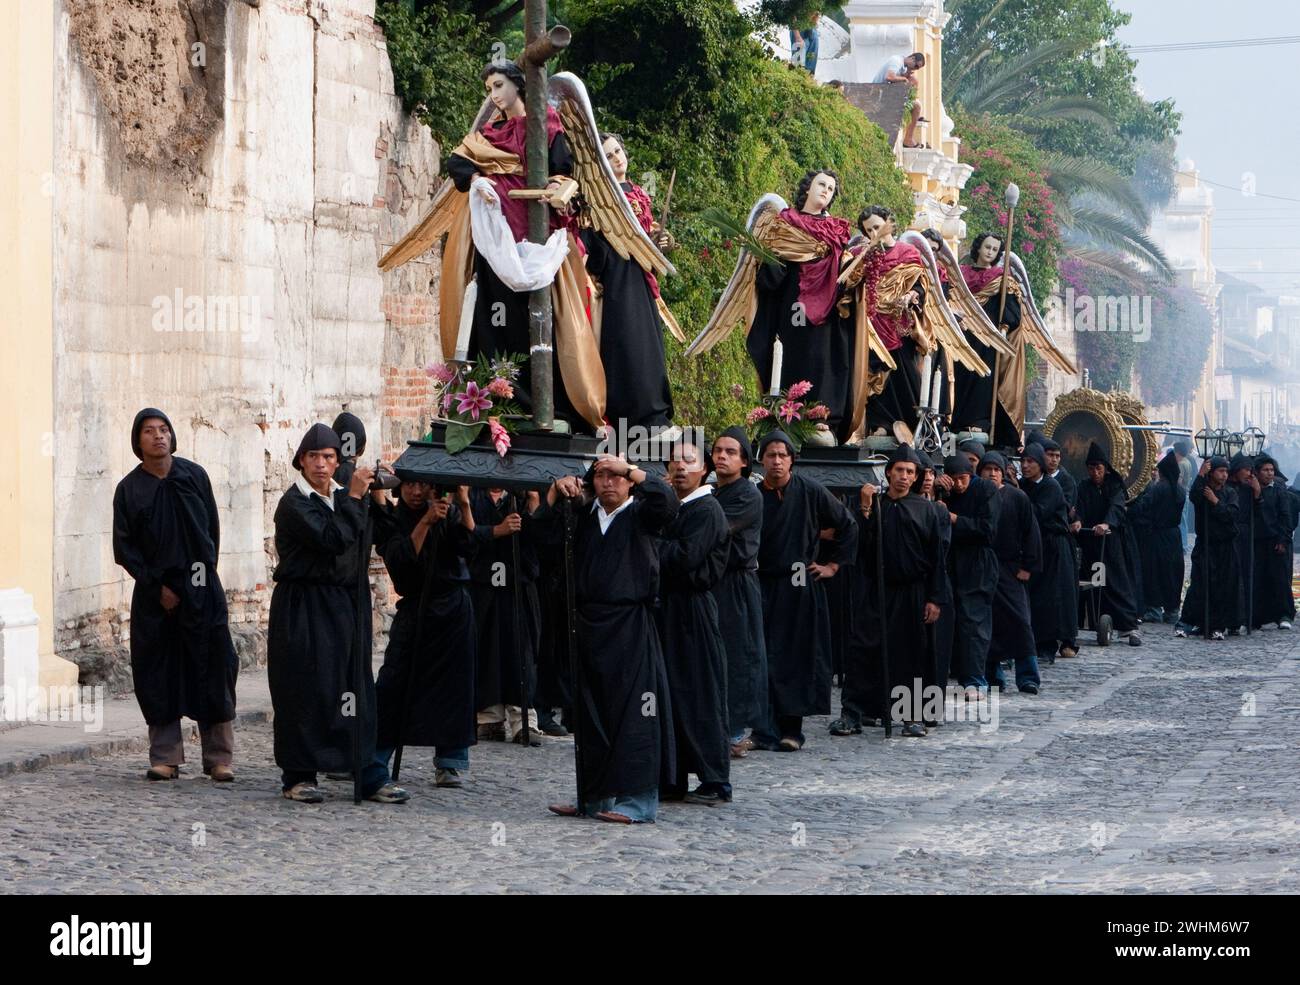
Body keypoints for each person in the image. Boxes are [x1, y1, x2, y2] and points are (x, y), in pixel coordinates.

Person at [268, 424, 405, 804]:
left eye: (328, 457)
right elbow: (333, 538)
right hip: (305, 607)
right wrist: (357, 499)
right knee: (306, 689)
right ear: (301, 461)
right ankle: (298, 774)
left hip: (348, 605)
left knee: (355, 689)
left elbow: (385, 536)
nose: (321, 465)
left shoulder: (350, 498)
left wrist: (375, 500)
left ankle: (367, 772)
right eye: (313, 457)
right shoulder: (294, 503)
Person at [543, 456, 678, 824]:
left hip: (630, 624)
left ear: (630, 483)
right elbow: (543, 544)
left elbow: (667, 501)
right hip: (587, 623)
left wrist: (630, 469)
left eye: (616, 477)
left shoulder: (642, 515)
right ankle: (593, 796)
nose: (609, 483)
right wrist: (556, 492)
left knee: (634, 712)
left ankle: (638, 801)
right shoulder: (584, 517)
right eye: (601, 476)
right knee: (590, 713)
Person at [112, 408, 238, 783]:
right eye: (149, 431)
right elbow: (125, 548)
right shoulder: (129, 489)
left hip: (202, 591)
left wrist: (200, 580)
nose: (158, 437)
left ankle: (218, 758)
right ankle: (166, 756)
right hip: (156, 598)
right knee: (159, 672)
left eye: (164, 429)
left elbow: (211, 531)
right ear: (138, 441)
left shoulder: (194, 476)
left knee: (214, 666)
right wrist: (157, 587)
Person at [752, 431, 857, 751]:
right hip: (763, 582)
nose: (777, 461)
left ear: (792, 460)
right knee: (763, 654)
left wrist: (832, 567)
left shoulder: (810, 491)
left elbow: (848, 524)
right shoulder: (755, 495)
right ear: (762, 460)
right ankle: (762, 728)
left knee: (795, 657)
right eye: (771, 455)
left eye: (783, 455)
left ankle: (791, 729)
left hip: (799, 583)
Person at [832, 444, 946, 737]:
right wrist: (866, 509)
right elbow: (861, 546)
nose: (904, 477)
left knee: (910, 654)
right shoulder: (876, 505)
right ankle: (854, 713)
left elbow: (936, 559)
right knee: (864, 649)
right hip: (876, 590)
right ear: (889, 472)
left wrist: (934, 598)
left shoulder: (927, 510)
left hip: (912, 593)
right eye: (899, 471)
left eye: (910, 472)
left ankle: (912, 716)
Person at [372, 480, 479, 789]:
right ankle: (376, 757)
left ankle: (450, 760)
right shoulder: (392, 519)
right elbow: (402, 560)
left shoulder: (450, 513)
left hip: (454, 608)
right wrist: (425, 522)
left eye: (423, 486)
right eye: (409, 486)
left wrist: (464, 503)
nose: (416, 493)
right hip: (416, 607)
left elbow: (471, 547)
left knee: (454, 686)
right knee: (394, 684)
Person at [745, 170, 855, 437]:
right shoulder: (787, 223)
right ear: (807, 187)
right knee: (793, 351)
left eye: (831, 188)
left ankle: (823, 417)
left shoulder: (837, 230)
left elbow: (845, 269)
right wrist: (776, 260)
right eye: (821, 184)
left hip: (828, 306)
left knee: (825, 357)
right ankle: (789, 412)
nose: (826, 190)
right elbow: (772, 267)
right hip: (794, 303)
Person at [585, 133, 676, 433]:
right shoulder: (603, 196)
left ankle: (654, 413)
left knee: (649, 345)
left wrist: (659, 244)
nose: (617, 158)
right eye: (609, 155)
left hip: (641, 277)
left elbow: (648, 244)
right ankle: (633, 414)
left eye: (618, 151)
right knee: (628, 342)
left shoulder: (639, 193)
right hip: (620, 277)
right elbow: (597, 239)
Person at [658, 441, 732, 805]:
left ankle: (715, 779)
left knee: (700, 692)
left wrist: (654, 549)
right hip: (667, 609)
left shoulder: (707, 510)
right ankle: (672, 777)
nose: (681, 467)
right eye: (675, 461)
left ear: (704, 468)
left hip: (694, 610)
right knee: (669, 694)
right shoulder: (673, 508)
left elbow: (685, 559)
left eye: (689, 460)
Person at [710, 427, 768, 758]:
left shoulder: (747, 494)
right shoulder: (712, 492)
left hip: (736, 585)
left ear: (744, 461)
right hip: (713, 582)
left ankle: (734, 732)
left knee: (737, 656)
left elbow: (714, 529)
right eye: (718, 450)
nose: (722, 456)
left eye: (731, 452)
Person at [469, 487, 542, 745]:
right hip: (483, 581)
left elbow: (542, 537)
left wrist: (533, 503)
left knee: (520, 650)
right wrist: (495, 531)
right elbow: (464, 536)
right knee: (487, 649)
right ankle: (489, 717)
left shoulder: (521, 496)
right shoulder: (471, 494)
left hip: (518, 582)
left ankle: (523, 719)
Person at [979, 451, 1042, 693]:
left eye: (997, 469)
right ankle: (993, 675)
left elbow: (1031, 533)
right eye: (988, 469)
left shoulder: (1017, 497)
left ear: (1004, 472)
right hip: (984, 567)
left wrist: (1028, 566)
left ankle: (1028, 676)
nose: (992, 473)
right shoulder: (977, 496)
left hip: (1011, 568)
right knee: (989, 624)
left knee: (1020, 622)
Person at [938, 452, 998, 692]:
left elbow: (988, 530)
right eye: (955, 479)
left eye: (964, 478)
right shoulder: (946, 492)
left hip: (978, 564)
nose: (960, 484)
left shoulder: (985, 490)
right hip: (951, 562)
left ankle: (975, 678)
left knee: (974, 623)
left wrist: (954, 519)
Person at [1075, 442, 1143, 646]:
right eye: (1091, 468)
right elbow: (1078, 507)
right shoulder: (1084, 487)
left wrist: (1106, 523)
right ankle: (1094, 621)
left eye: (1099, 468)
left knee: (1115, 581)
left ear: (1105, 468)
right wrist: (1077, 519)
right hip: (1090, 542)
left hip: (1111, 542)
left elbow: (1116, 507)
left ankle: (1129, 627)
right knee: (1092, 582)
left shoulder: (1114, 486)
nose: (1095, 472)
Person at [1020, 442, 1078, 669]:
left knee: (1050, 598)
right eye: (1023, 461)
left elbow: (1036, 514)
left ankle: (1047, 647)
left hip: (1053, 548)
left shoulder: (1051, 487)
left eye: (1030, 462)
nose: (1025, 466)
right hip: (1032, 547)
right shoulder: (1023, 485)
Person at [1177, 456, 1241, 640]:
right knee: (1200, 583)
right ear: (1212, 473)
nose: (1224, 475)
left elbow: (1232, 515)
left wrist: (1216, 502)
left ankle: (1216, 625)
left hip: (1224, 547)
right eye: (1220, 471)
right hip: (1205, 545)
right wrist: (1200, 474)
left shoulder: (1230, 493)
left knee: (1221, 586)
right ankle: (1191, 622)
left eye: (1226, 472)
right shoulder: (1204, 490)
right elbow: (1194, 496)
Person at [1135, 452, 1187, 624]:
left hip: (1157, 536)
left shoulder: (1158, 488)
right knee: (1172, 573)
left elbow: (1144, 508)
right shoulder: (1179, 490)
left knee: (1155, 572)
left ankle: (1154, 609)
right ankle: (1172, 611)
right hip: (1174, 536)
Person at [1251, 454, 1295, 630]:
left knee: (1280, 579)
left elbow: (1286, 516)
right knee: (1259, 578)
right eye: (1265, 470)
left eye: (1271, 470)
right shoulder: (1251, 489)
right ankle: (1257, 616)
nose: (1269, 473)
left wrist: (1283, 539)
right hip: (1258, 541)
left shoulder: (1279, 490)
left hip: (1277, 541)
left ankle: (1284, 614)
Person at [872, 52, 926, 147]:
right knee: (917, 106)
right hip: (878, 94)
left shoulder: (903, 66)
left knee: (914, 81)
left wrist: (906, 74)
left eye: (918, 68)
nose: (915, 69)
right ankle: (908, 139)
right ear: (912, 58)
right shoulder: (896, 61)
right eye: (916, 66)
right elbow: (889, 77)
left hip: (887, 93)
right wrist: (904, 79)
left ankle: (913, 112)